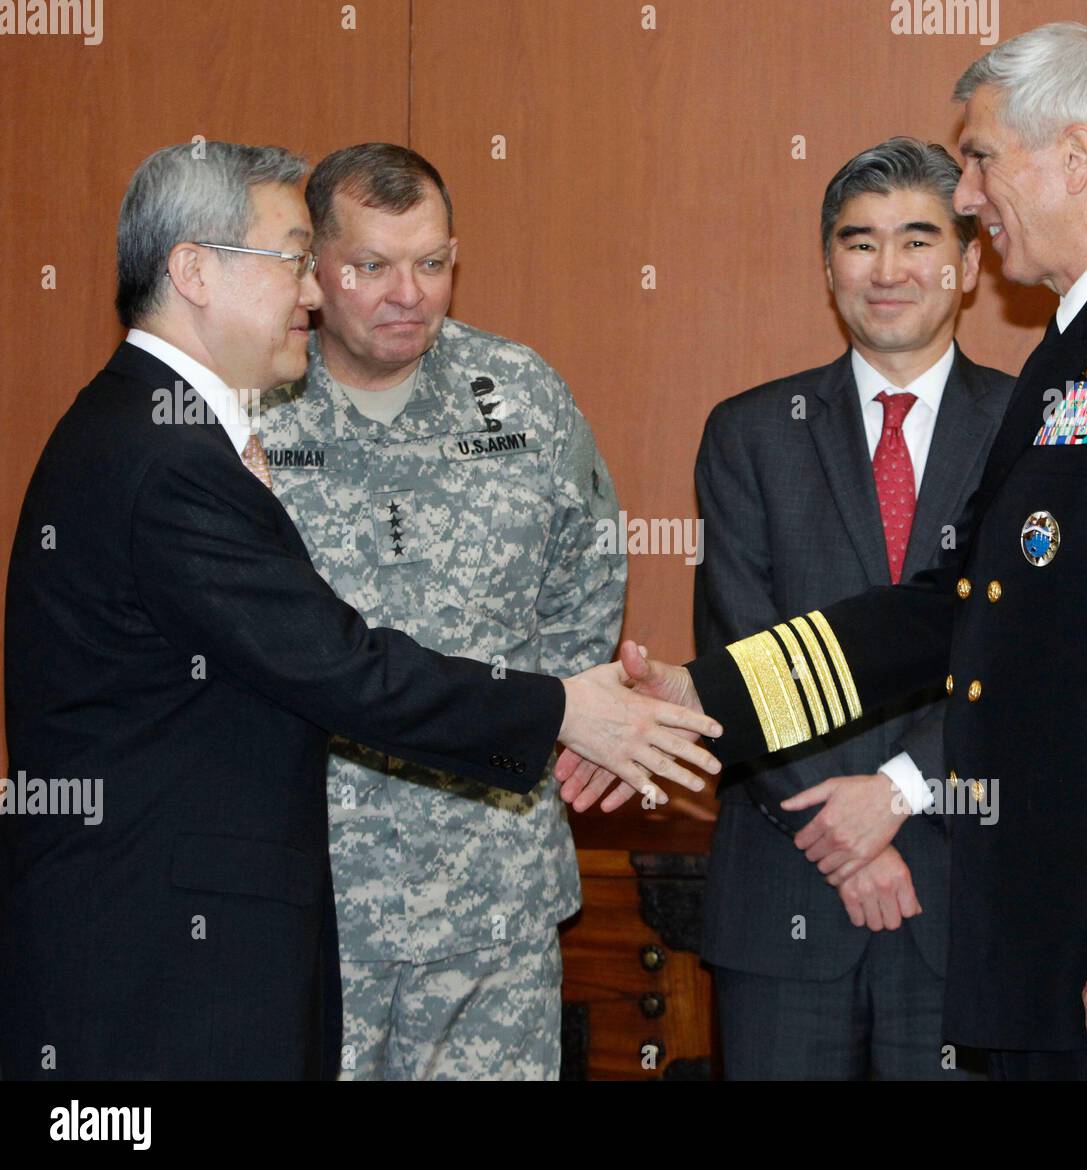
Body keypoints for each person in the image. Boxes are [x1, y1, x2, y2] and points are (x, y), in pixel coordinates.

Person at [560, 22, 1087, 1082]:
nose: (972, 197)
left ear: (1075, 155)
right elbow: (952, 606)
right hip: (1043, 944)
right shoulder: (1078, 347)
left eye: (984, 158)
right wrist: (702, 691)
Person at [0, 141, 717, 1080]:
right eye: (302, 261)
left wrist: (577, 707)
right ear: (196, 271)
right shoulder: (173, 455)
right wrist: (564, 709)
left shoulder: (152, 427)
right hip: (178, 955)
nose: (310, 293)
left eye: (430, 263)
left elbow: (576, 583)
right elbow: (339, 664)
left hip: (406, 906)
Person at [258, 143, 624, 1080]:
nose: (407, 294)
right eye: (371, 266)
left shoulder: (522, 393)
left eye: (432, 262)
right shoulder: (252, 409)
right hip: (308, 893)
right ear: (313, 271)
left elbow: (587, 591)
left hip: (490, 897)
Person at [691, 138, 1012, 1079]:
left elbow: (1035, 659)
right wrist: (846, 841)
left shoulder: (1034, 430)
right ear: (828, 264)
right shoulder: (749, 433)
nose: (888, 269)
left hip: (964, 900)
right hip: (784, 897)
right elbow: (742, 654)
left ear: (967, 263)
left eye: (918, 240)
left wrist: (902, 792)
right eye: (858, 241)